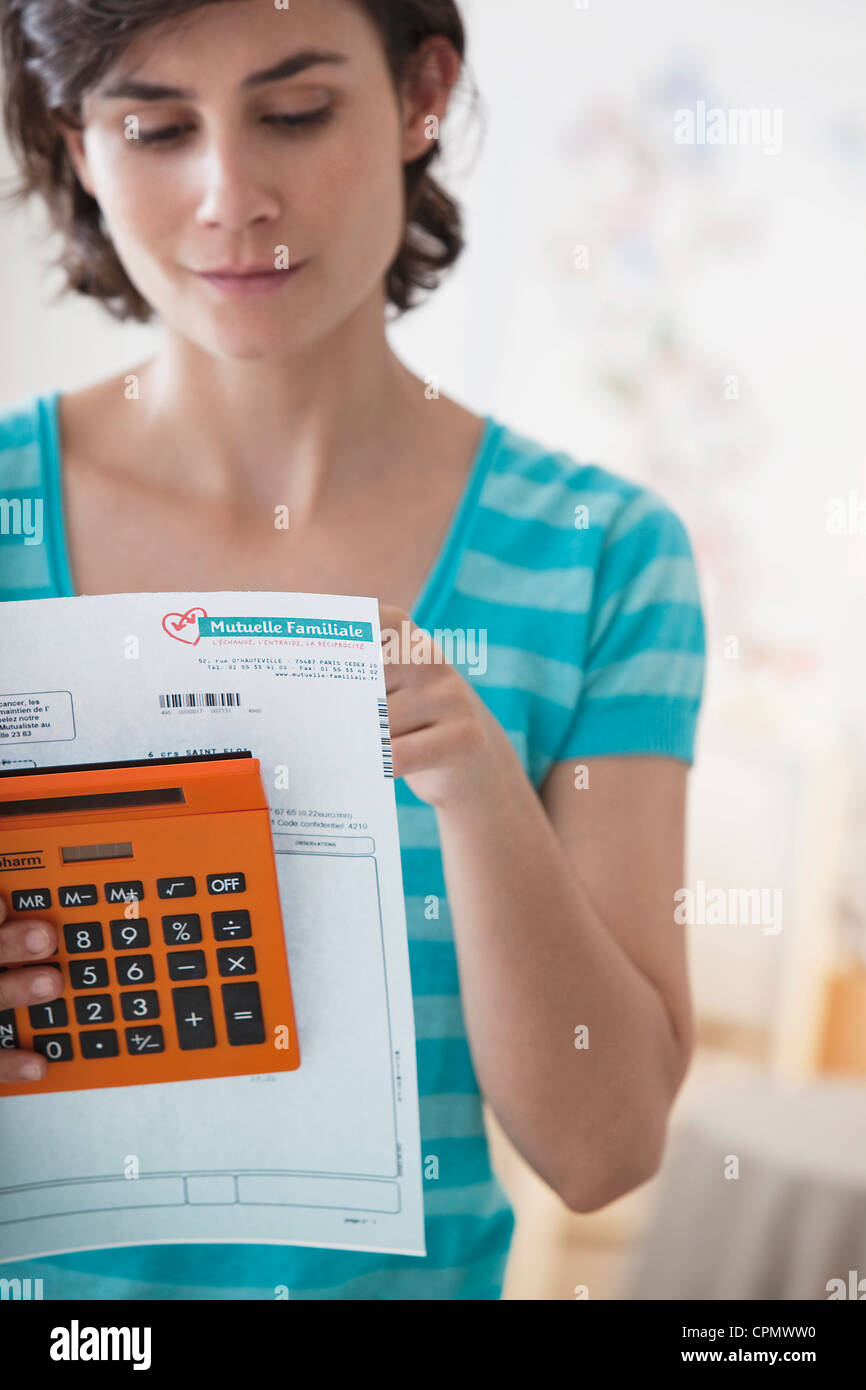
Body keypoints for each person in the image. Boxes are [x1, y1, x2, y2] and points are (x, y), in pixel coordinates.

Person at [0, 0, 706, 1300]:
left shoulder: (599, 555)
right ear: (80, 149)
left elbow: (604, 1148)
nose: (229, 198)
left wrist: (484, 796)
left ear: (422, 94)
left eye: (294, 113)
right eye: (156, 127)